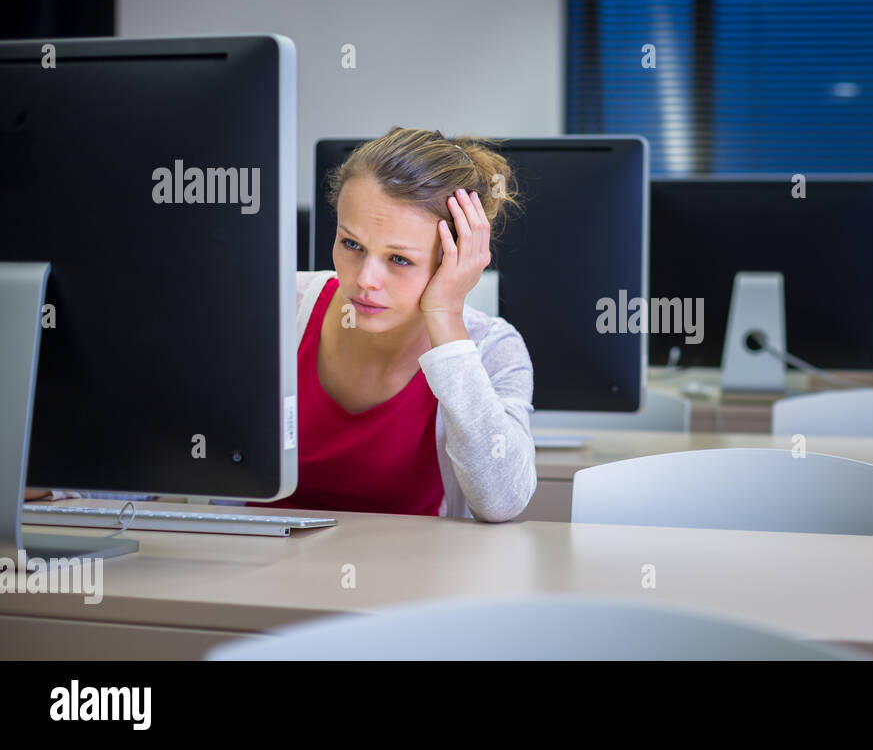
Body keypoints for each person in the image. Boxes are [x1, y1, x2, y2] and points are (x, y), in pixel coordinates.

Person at [29, 127, 538, 522]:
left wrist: (445, 318)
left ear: (456, 259)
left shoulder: (491, 349)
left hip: (404, 604)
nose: (365, 280)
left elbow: (502, 499)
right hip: (254, 582)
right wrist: (60, 486)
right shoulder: (274, 304)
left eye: (399, 260)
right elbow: (172, 442)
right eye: (351, 244)